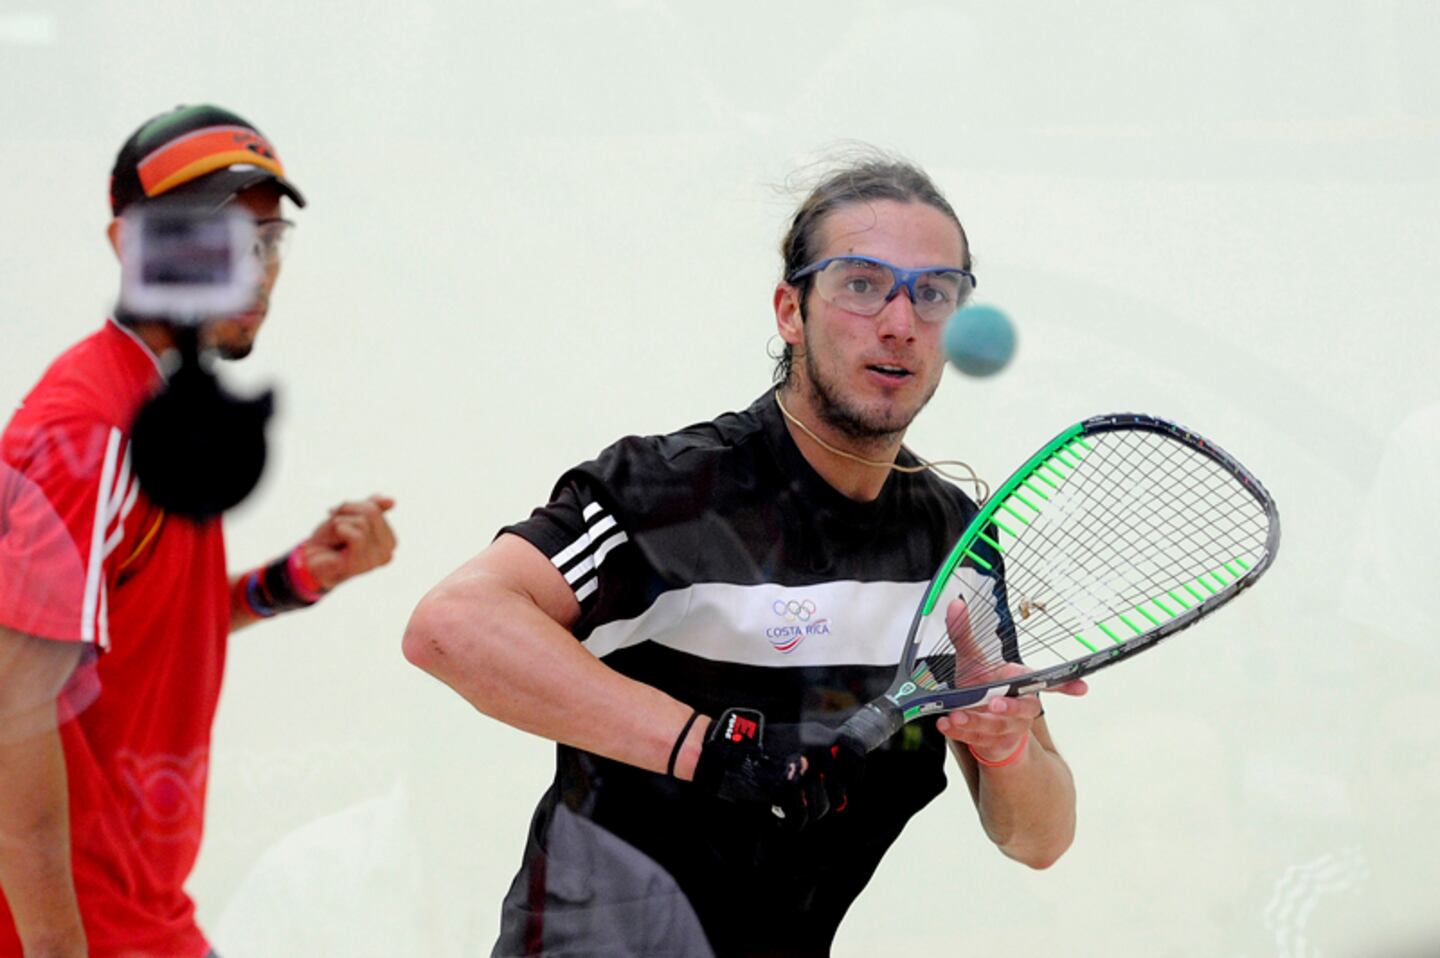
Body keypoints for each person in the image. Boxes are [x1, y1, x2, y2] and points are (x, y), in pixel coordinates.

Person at [403, 154, 1085, 957]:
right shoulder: (672, 493)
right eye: (862, 284)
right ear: (790, 310)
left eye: (932, 293)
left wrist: (1003, 748)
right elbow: (452, 625)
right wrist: (716, 749)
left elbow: (1038, 837)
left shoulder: (955, 548)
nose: (900, 321)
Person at [0, 104, 398, 958]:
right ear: (126, 245)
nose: (252, 271)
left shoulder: (165, 416)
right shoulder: (88, 434)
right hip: (75, 928)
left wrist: (291, 580)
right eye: (218, 240)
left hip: (140, 913)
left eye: (268, 240)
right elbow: (7, 705)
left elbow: (127, 633)